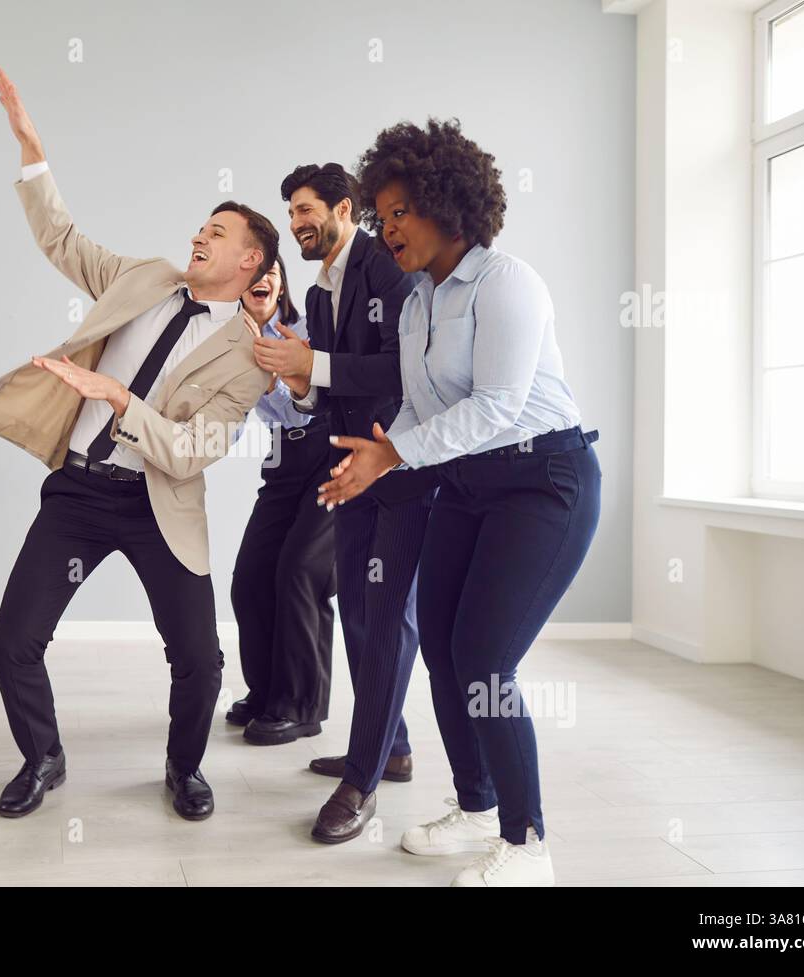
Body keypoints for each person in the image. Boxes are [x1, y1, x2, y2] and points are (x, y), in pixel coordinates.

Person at [0, 68, 275, 822]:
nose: (200, 235)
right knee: (11, 641)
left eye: (219, 232)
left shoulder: (249, 355)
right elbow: (63, 240)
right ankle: (42, 756)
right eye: (201, 225)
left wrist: (122, 400)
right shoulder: (145, 277)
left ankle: (184, 768)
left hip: (157, 504)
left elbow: (192, 449)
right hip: (78, 493)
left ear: (250, 264)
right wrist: (31, 148)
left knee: (201, 663)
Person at [321, 118, 600, 886]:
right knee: (441, 649)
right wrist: (374, 463)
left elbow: (501, 406)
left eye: (401, 210)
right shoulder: (417, 303)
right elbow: (420, 408)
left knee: (485, 658)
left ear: (450, 204)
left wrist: (394, 453)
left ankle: (528, 841)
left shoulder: (507, 282)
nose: (389, 228)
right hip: (468, 484)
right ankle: (476, 807)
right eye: (382, 214)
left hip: (544, 481)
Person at [256, 163, 433, 844]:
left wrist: (314, 365)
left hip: (404, 465)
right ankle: (391, 746)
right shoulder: (321, 290)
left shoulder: (386, 269)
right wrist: (298, 377)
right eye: (292, 212)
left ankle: (361, 780)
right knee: (359, 611)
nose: (298, 222)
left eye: (306, 209)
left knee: (386, 620)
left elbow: (402, 368)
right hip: (352, 465)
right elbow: (323, 389)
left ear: (343, 208)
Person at [227, 257, 337, 745]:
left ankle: (300, 706)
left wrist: (293, 381)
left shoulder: (309, 326)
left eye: (272, 270)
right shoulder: (227, 343)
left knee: (300, 572)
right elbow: (225, 417)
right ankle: (267, 692)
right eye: (253, 273)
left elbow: (330, 394)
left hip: (329, 447)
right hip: (281, 458)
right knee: (250, 578)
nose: (265, 279)